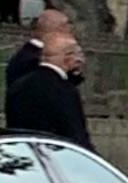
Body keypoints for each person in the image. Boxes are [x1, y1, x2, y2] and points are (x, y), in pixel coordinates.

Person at [5, 9, 89, 146]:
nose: (71, 29)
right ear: (59, 28)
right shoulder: (28, 60)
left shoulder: (32, 61)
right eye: (68, 25)